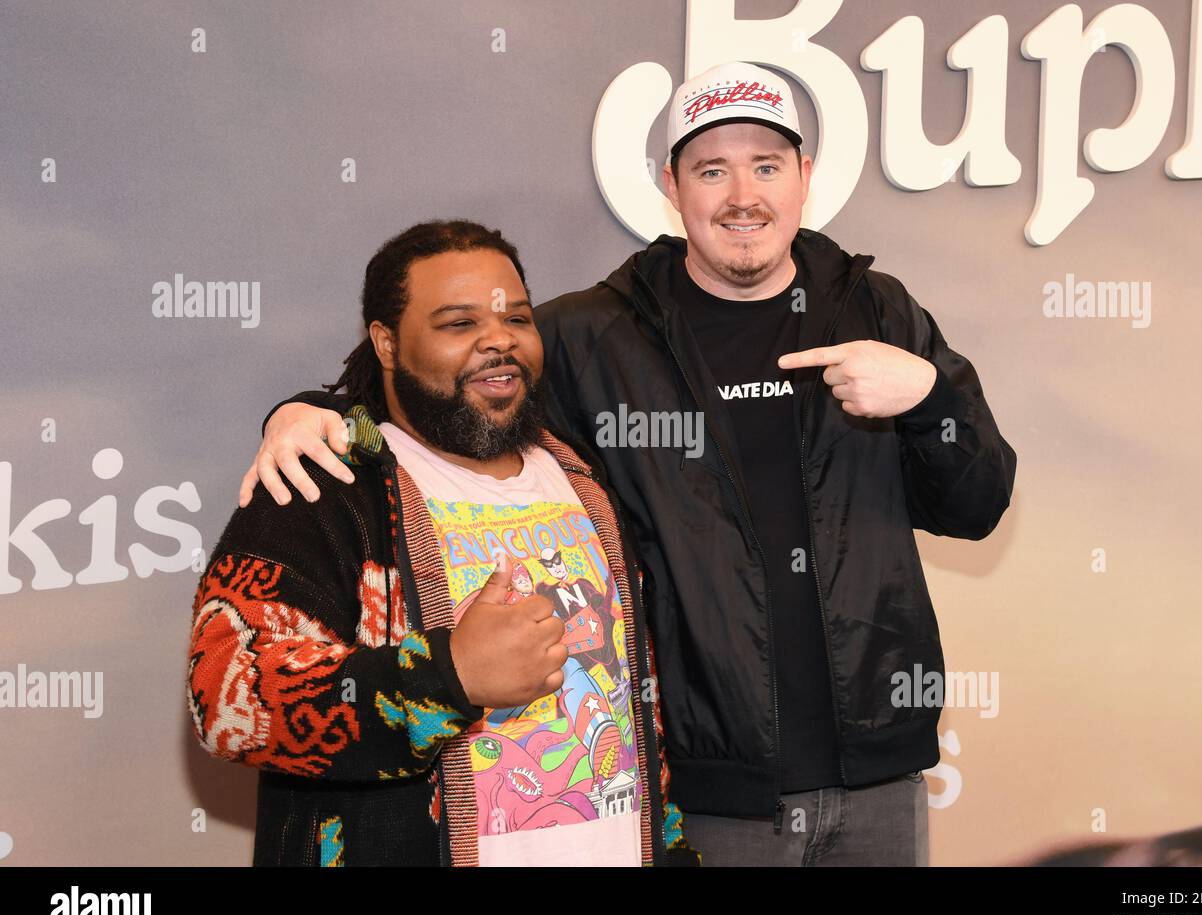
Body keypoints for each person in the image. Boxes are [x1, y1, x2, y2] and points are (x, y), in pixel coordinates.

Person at [243, 62, 1017, 866]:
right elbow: (453, 387)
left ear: (805, 178)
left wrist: (931, 398)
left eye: (766, 166)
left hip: (882, 778)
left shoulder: (879, 308)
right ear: (671, 188)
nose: (742, 196)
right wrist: (317, 410)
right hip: (706, 791)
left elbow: (978, 503)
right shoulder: (594, 334)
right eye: (711, 170)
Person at [188, 219, 696, 866]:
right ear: (387, 343)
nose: (498, 341)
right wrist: (449, 675)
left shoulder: (583, 477)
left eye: (517, 318)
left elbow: (634, 711)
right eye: (459, 324)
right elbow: (229, 695)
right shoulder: (329, 484)